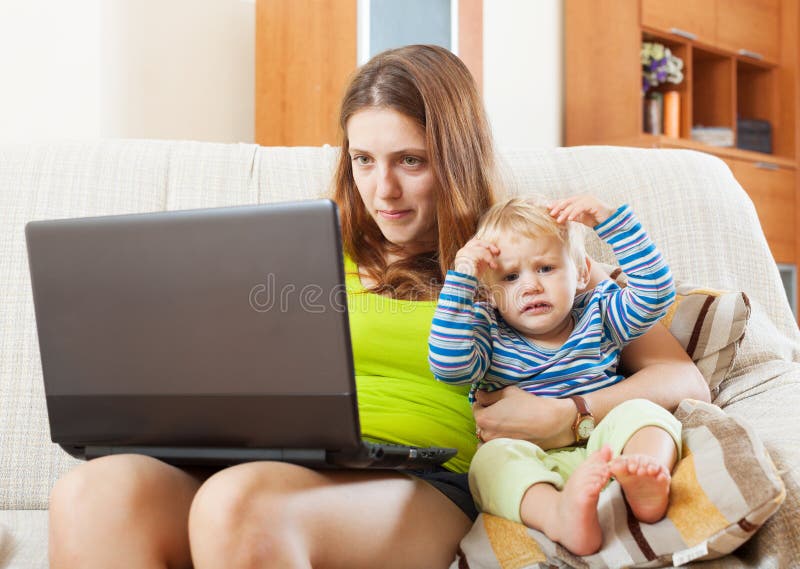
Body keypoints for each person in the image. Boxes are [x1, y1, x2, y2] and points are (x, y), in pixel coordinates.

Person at [48, 45, 709, 569]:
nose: (382, 189)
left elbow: (682, 378)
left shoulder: (524, 258)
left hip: (422, 479)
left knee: (238, 503)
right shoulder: (302, 253)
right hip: (270, 460)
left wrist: (569, 412)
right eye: (363, 159)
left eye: (410, 161)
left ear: (456, 159)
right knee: (91, 493)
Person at [429, 195, 681, 555]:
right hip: (529, 456)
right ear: (490, 293)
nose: (530, 286)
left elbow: (656, 295)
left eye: (545, 268)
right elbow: (448, 367)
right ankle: (557, 514)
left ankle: (645, 477)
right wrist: (461, 281)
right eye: (510, 277)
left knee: (644, 412)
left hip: (606, 441)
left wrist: (614, 223)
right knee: (490, 462)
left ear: (581, 273)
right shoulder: (487, 331)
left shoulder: (599, 313)